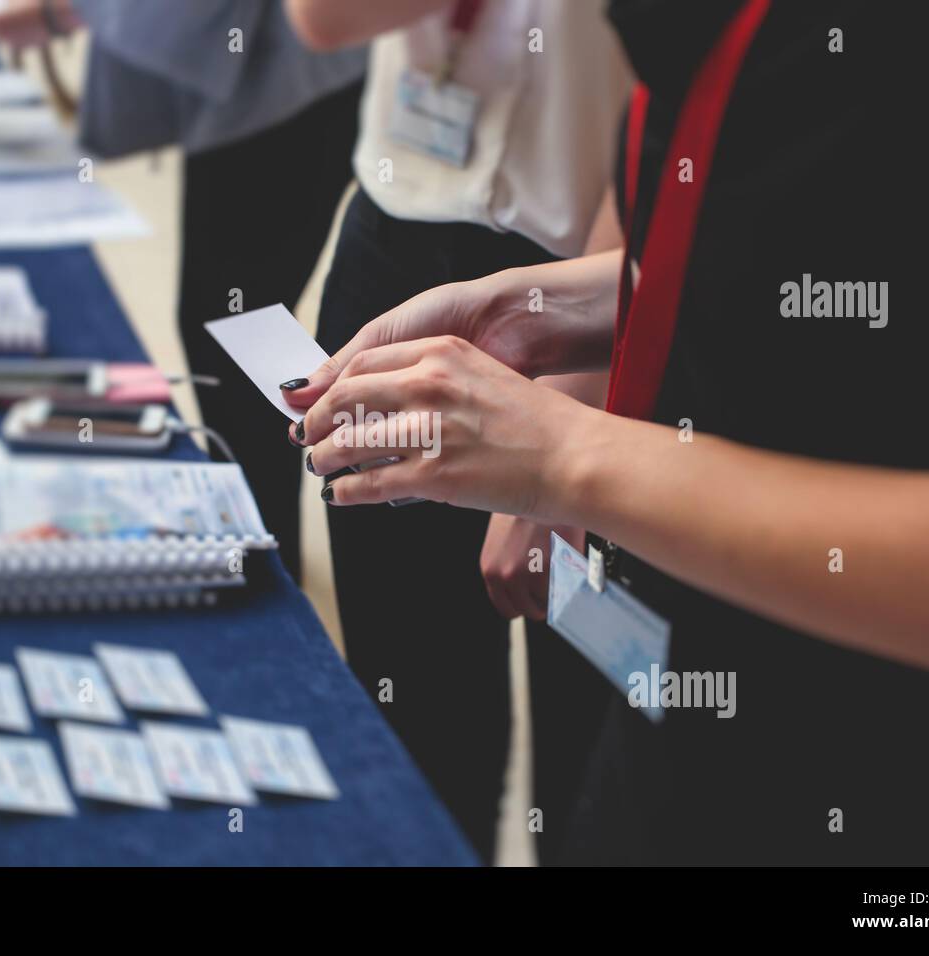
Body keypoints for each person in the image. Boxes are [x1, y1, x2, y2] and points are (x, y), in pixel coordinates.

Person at [285, 0, 929, 863]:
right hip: (698, 667)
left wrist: (559, 450)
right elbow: (821, 251)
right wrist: (547, 310)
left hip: (880, 748)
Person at [285, 0, 630, 862]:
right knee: (414, 730)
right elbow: (321, 18)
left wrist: (572, 437)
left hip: (600, 283)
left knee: (595, 773)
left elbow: (673, 102)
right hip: (400, 241)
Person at [0, 0, 366, 582]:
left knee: (236, 325)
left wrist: (67, 11)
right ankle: (257, 540)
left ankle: (261, 555)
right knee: (230, 323)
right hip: (281, 72)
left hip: (292, 77)